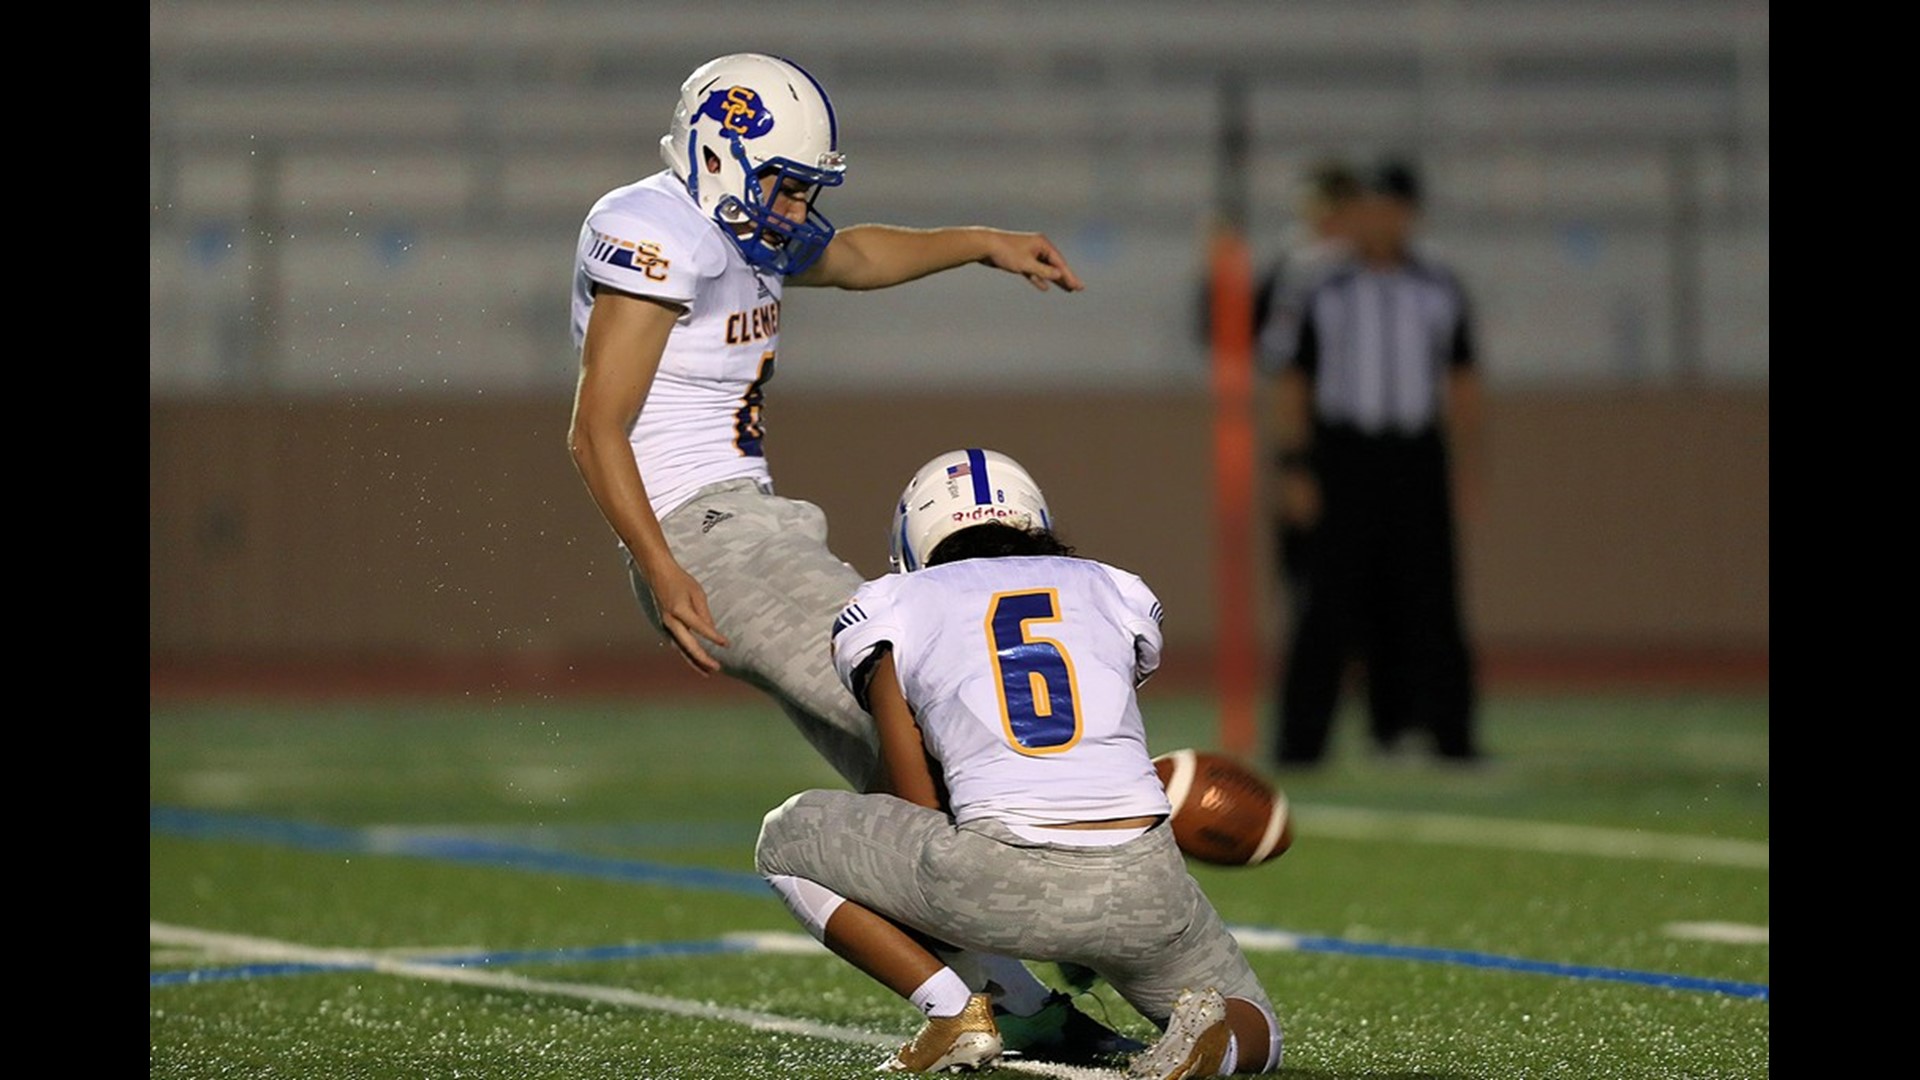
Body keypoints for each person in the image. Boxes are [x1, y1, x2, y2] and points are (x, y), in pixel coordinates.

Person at [564, 54, 1123, 1060]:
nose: (792, 207)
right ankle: (1053, 939)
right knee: (928, 710)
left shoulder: (739, 225)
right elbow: (596, 427)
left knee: (895, 758)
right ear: (717, 153)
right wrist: (660, 562)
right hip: (709, 534)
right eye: (781, 182)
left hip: (755, 528)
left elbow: (856, 255)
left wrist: (981, 244)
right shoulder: (654, 227)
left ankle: (1012, 1000)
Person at [755, 448, 1284, 1078]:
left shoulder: (895, 604)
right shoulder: (1116, 588)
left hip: (998, 874)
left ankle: (954, 1014)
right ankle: (1215, 1051)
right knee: (1256, 1023)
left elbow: (911, 799)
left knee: (785, 840)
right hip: (1148, 877)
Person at [1261, 156, 1485, 767]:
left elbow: (1461, 378)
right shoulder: (1316, 280)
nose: (1374, 219)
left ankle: (1451, 739)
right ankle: (1300, 745)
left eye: (1386, 207)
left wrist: (1465, 465)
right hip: (1343, 454)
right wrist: (1295, 464)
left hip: (1416, 453)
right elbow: (1290, 379)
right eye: (1365, 206)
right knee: (1327, 605)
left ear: (1408, 213)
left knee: (1431, 600)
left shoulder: (1438, 282)